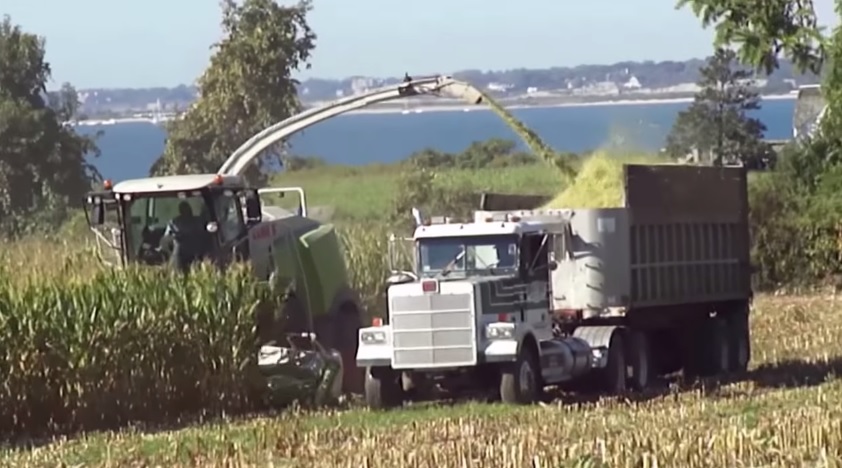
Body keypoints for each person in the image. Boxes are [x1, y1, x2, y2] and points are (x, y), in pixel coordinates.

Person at [163, 201, 203, 272]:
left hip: (196, 251)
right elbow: (166, 238)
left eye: (187, 209)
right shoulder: (174, 222)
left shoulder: (198, 221)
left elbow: (204, 233)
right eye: (184, 210)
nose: (186, 211)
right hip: (179, 252)